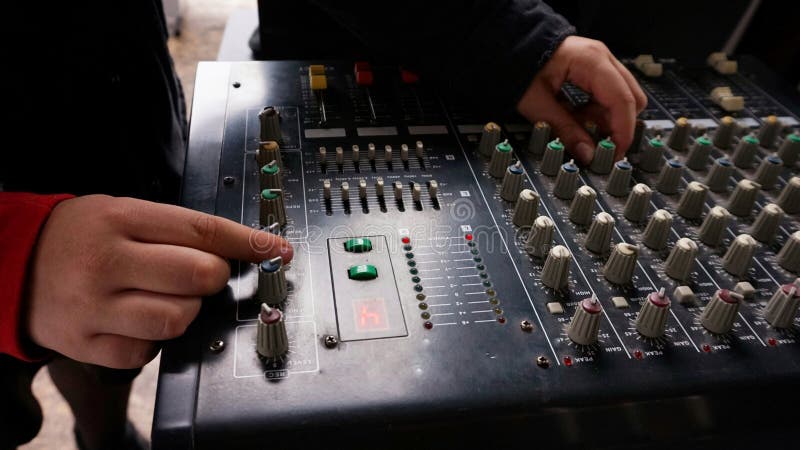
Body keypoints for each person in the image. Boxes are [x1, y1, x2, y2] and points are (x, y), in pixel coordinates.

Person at [0, 1, 644, 449]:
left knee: (116, 341)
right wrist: (12, 252)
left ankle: (105, 434)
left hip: (114, 118)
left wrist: (506, 37)